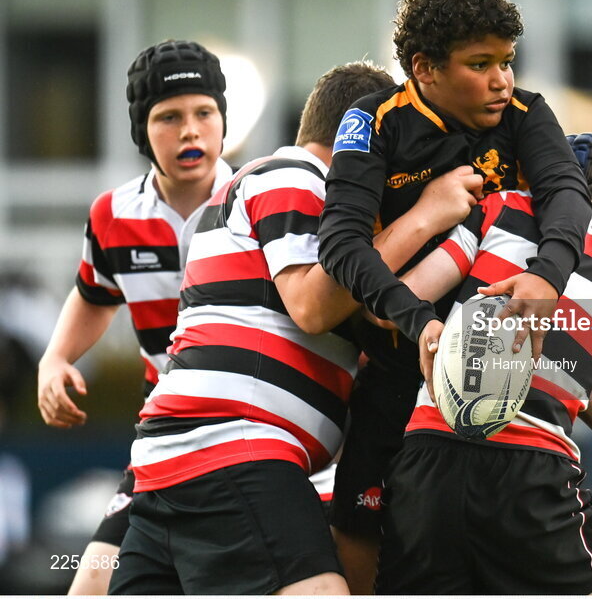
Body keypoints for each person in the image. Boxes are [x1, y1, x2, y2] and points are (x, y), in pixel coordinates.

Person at [106, 61, 483, 595]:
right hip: (235, 446)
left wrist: (466, 240)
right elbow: (312, 304)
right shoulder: (294, 175)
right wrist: (426, 213)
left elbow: (373, 306)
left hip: (174, 466)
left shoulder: (270, 190)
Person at [317, 0, 592, 592]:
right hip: (394, 370)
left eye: (508, 61)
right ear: (426, 68)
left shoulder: (525, 113)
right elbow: (339, 244)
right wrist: (418, 320)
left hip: (495, 374)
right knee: (361, 541)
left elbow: (567, 192)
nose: (503, 80)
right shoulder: (373, 121)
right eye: (481, 63)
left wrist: (547, 277)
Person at [371, 133, 592, 594]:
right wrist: (566, 380)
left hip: (427, 460)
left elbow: (392, 305)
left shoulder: (501, 209)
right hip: (531, 475)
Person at [35, 39, 234, 595]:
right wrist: (55, 360)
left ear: (223, 121)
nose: (190, 131)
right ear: (140, 131)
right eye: (168, 117)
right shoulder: (113, 215)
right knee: (90, 585)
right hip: (163, 438)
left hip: (256, 436)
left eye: (203, 113)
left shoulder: (258, 201)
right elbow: (94, 294)